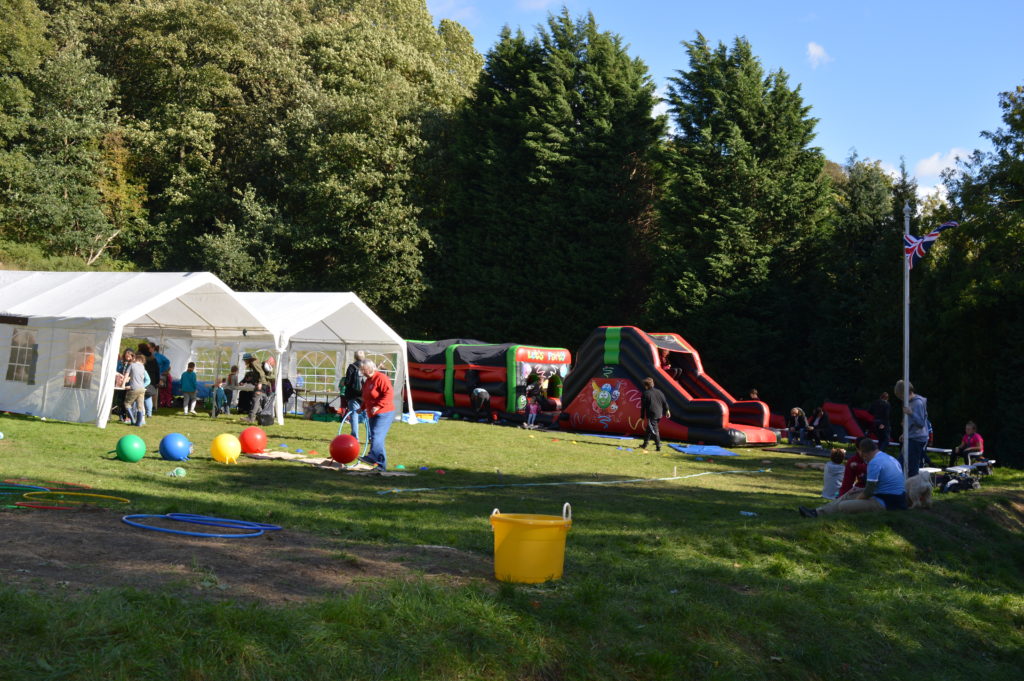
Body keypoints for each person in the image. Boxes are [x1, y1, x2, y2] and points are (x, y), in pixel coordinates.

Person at [799, 438, 906, 517]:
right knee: (853, 492)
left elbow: (869, 491)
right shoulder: (889, 458)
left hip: (886, 503)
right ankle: (817, 512)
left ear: (863, 452)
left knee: (843, 506)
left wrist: (857, 499)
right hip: (896, 499)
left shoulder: (874, 463)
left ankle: (819, 513)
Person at [358, 360, 395, 470]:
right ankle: (381, 466)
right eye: (361, 370)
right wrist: (362, 408)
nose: (362, 372)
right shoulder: (368, 381)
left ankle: (372, 457)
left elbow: (389, 394)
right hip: (372, 413)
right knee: (377, 438)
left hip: (384, 412)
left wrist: (378, 406)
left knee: (376, 436)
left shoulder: (381, 378)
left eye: (363, 370)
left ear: (370, 368)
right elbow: (367, 397)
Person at [895, 379, 929, 478]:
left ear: (905, 392)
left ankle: (913, 489)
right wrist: (905, 433)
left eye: (900, 396)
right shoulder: (909, 402)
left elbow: (920, 423)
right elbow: (911, 423)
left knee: (910, 466)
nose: (900, 399)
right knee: (903, 463)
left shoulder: (917, 403)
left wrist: (911, 413)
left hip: (917, 438)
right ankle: (907, 487)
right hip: (911, 436)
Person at [639, 377, 670, 452]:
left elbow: (643, 407)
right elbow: (664, 402)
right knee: (649, 429)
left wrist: (642, 417)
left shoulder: (645, 393)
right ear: (653, 384)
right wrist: (667, 410)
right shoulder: (659, 392)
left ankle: (658, 446)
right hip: (659, 414)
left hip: (652, 415)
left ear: (646, 386)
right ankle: (644, 444)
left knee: (654, 430)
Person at [341, 351, 366, 439]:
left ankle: (355, 438)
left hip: (353, 395)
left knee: (354, 416)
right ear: (364, 357)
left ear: (355, 357)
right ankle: (370, 437)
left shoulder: (352, 367)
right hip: (365, 395)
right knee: (367, 416)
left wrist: (344, 383)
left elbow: (347, 382)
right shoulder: (367, 366)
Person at [238, 353, 266, 418]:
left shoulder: (254, 363)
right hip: (260, 384)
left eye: (245, 360)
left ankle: (251, 417)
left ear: (248, 359)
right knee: (256, 401)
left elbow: (261, 373)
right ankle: (260, 416)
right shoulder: (253, 363)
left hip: (261, 384)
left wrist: (260, 383)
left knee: (255, 400)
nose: (244, 361)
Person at [123, 354, 148, 427]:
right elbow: (141, 377)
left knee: (127, 403)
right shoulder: (143, 367)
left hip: (134, 388)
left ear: (136, 359)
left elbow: (126, 375)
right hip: (142, 388)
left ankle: (133, 420)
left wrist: (123, 384)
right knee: (140, 406)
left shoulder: (132, 365)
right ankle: (139, 423)